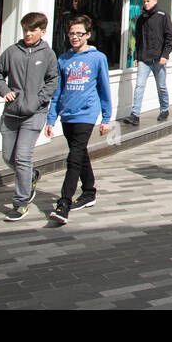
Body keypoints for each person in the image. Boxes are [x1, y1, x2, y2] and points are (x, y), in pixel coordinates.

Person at [0, 11, 60, 221]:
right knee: (8, 156)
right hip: (11, 113)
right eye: (25, 29)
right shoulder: (12, 52)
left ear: (42, 31)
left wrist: (39, 100)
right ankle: (30, 176)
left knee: (22, 156)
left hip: (35, 113)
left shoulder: (48, 55)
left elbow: (52, 80)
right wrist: (4, 90)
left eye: (33, 30)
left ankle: (20, 202)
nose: (28, 34)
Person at [44, 15, 112, 225]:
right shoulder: (63, 59)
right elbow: (58, 91)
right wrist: (51, 118)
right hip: (68, 114)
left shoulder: (97, 58)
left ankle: (63, 204)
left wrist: (106, 117)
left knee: (73, 157)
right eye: (72, 33)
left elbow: (104, 88)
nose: (75, 37)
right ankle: (89, 192)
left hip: (86, 113)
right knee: (80, 153)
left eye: (79, 33)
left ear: (88, 35)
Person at [125, 0, 172, 126]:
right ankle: (135, 114)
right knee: (139, 85)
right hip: (144, 58)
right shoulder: (141, 18)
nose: (146, 4)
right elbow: (138, 39)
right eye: (144, 1)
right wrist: (136, 55)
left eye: (148, 1)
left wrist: (165, 55)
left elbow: (170, 37)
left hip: (158, 58)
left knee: (161, 86)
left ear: (155, 1)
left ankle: (164, 109)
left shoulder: (163, 16)